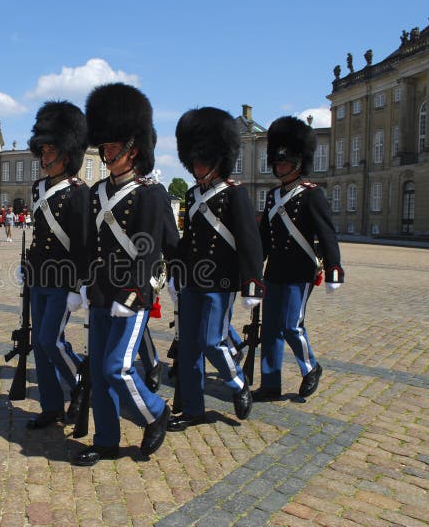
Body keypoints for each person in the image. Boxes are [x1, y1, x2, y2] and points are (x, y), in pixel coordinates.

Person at [73, 83, 179, 466]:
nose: (105, 154)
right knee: (100, 374)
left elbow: (150, 250)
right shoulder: (98, 192)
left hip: (130, 296)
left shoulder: (151, 194)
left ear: (133, 149)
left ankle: (156, 413)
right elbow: (88, 245)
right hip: (100, 293)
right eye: (103, 147)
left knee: (117, 367)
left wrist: (134, 292)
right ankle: (106, 440)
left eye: (111, 148)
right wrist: (80, 284)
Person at [167, 107, 264, 432]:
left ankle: (238, 383)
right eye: (193, 161)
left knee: (212, 340)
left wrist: (253, 281)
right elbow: (188, 239)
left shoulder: (235, 194)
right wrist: (174, 268)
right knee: (190, 348)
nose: (196, 167)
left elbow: (250, 241)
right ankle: (194, 409)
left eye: (202, 161)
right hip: (193, 280)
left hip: (220, 281)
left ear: (218, 159)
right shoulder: (193, 194)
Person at [254, 116, 344, 401]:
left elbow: (326, 232)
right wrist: (254, 268)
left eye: (284, 163)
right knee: (269, 329)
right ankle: (270, 383)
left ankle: (310, 367)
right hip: (275, 271)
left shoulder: (311, 195)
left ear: (298, 163)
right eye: (277, 163)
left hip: (300, 271)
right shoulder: (272, 196)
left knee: (292, 325)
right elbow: (264, 239)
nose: (279, 167)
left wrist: (334, 267)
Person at [21, 101, 91, 430]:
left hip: (64, 279)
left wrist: (79, 284)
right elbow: (40, 235)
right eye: (43, 150)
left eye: (51, 151)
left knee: (51, 339)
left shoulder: (79, 193)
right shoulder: (39, 188)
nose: (45, 157)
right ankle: (51, 406)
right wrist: (28, 266)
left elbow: (83, 243)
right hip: (39, 277)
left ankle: (79, 380)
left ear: (67, 154)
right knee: (39, 343)